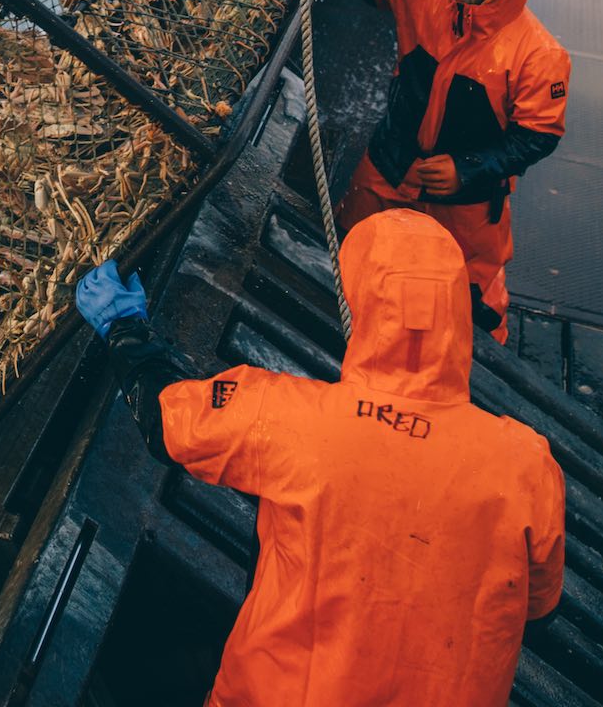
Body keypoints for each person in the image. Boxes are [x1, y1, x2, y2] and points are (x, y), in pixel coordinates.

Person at [76, 210, 565, 707]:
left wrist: (123, 328)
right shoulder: (526, 465)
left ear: (359, 303)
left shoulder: (288, 417)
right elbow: (537, 613)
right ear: (457, 309)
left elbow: (167, 422)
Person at [333, 0, 570, 342]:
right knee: (351, 256)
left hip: (464, 203)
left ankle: (470, 366)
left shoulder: (539, 56)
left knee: (461, 299)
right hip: (389, 166)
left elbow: (539, 135)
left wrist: (468, 168)